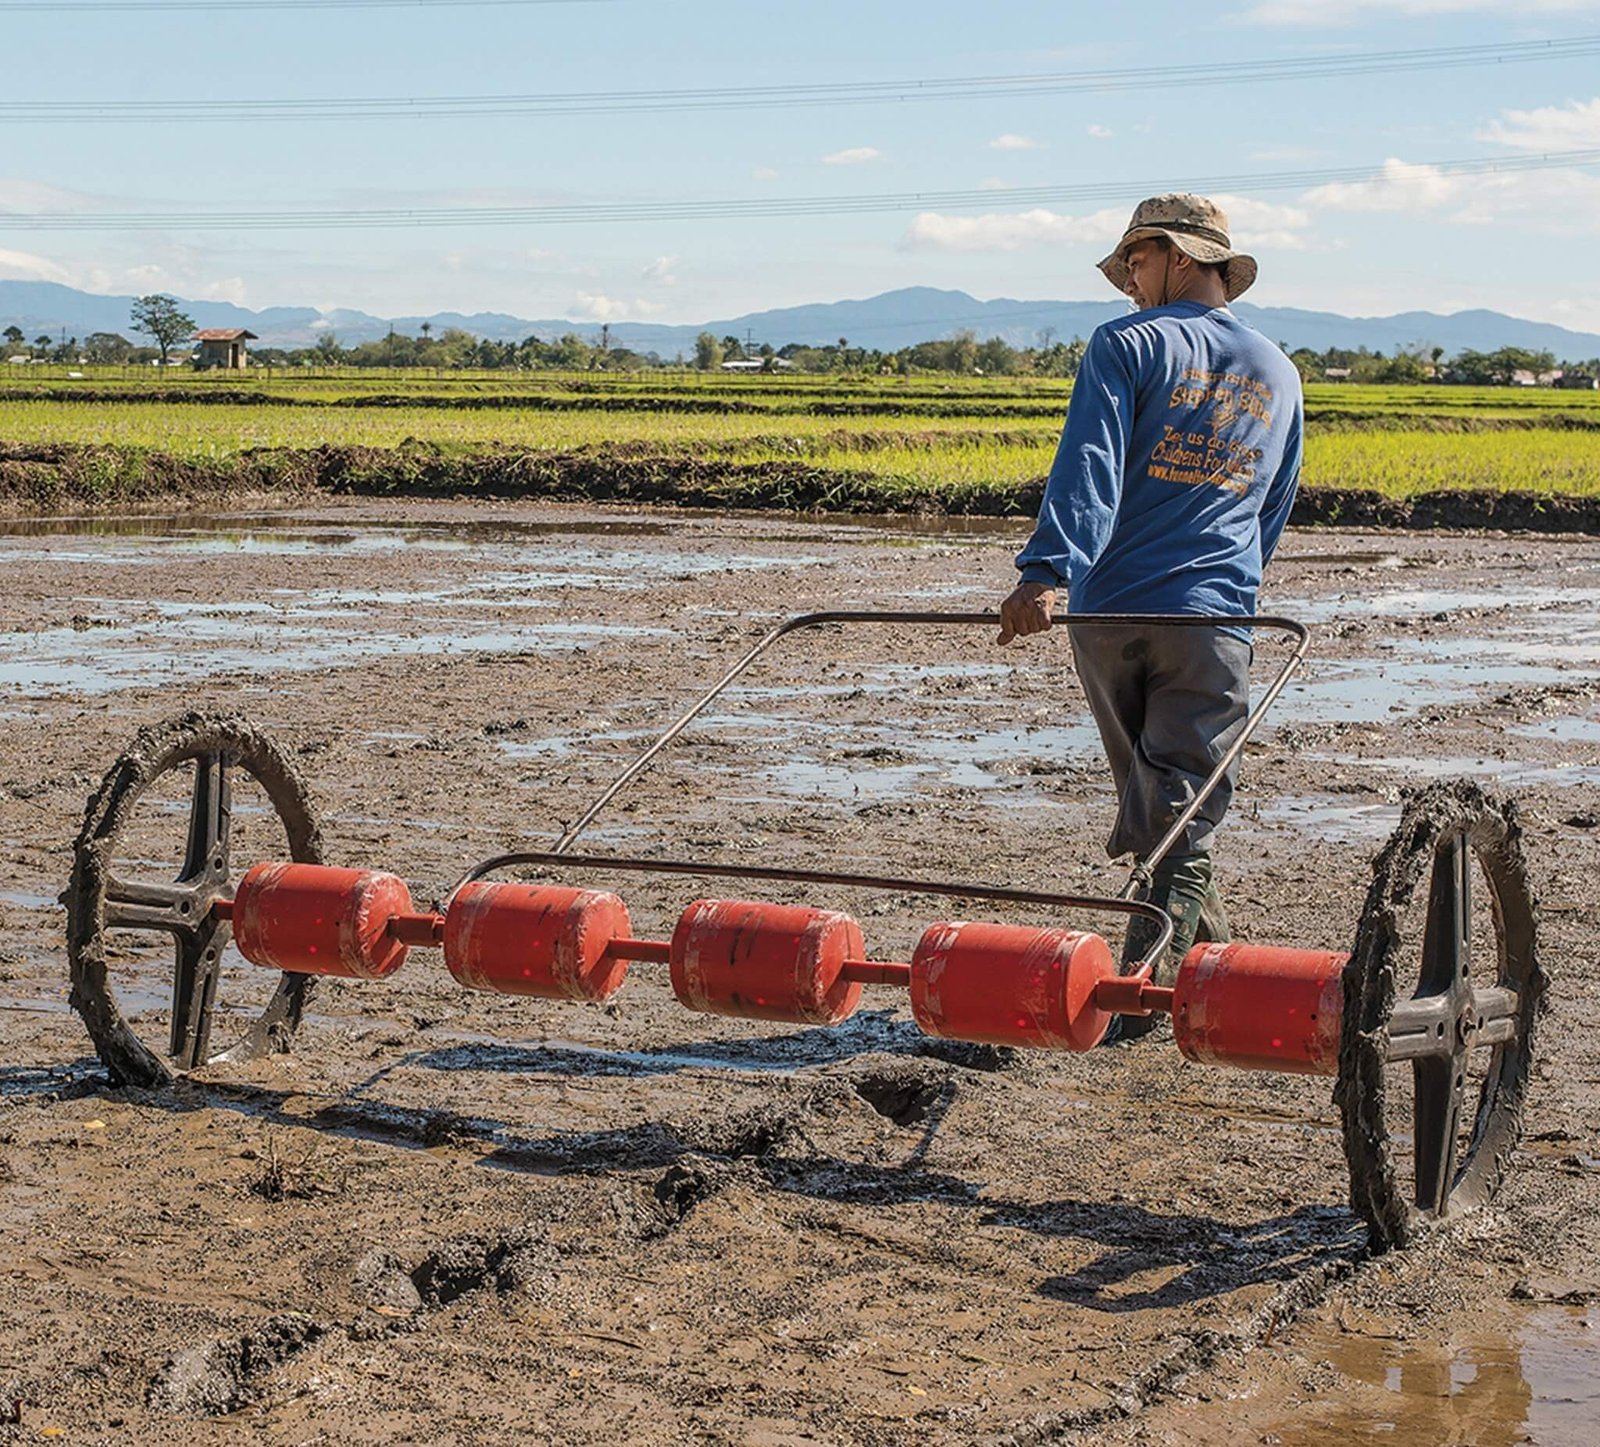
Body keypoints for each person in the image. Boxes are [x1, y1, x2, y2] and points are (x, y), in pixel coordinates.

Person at [997, 193, 1303, 1037]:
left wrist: (1048, 571)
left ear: (1177, 256)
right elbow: (1270, 505)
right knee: (1174, 804)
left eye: (1135, 261)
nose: (1128, 280)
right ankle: (1201, 981)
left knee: (1162, 804)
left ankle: (1144, 996)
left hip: (1106, 614)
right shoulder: (1280, 371)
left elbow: (1087, 463)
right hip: (1208, 618)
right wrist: (1231, 589)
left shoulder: (1125, 345)